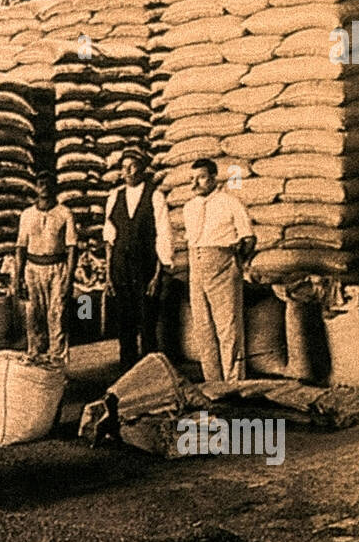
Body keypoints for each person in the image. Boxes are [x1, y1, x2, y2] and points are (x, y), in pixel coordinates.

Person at [184, 158, 255, 383]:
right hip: (195, 268)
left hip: (223, 265)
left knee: (228, 328)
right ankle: (213, 384)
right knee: (203, 328)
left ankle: (233, 383)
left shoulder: (230, 202)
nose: (195, 183)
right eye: (192, 178)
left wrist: (234, 261)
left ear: (214, 178)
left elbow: (248, 238)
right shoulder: (189, 207)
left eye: (201, 178)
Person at [103, 148, 173, 372]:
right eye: (124, 168)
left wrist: (157, 276)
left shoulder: (155, 196)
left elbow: (163, 235)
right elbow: (109, 239)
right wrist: (108, 275)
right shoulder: (115, 196)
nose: (128, 171)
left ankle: (151, 375)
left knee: (147, 324)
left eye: (133, 166)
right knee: (125, 325)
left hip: (145, 267)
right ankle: (127, 374)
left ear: (142, 168)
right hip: (120, 268)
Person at [13, 172, 78, 364]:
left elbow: (72, 248)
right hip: (33, 269)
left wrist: (69, 278)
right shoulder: (27, 214)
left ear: (55, 187)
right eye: (41, 184)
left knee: (57, 314)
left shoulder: (65, 213)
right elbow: (20, 247)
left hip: (57, 268)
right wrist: (18, 277)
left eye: (49, 184)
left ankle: (57, 361)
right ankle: (35, 356)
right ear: (36, 187)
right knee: (33, 315)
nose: (45, 188)